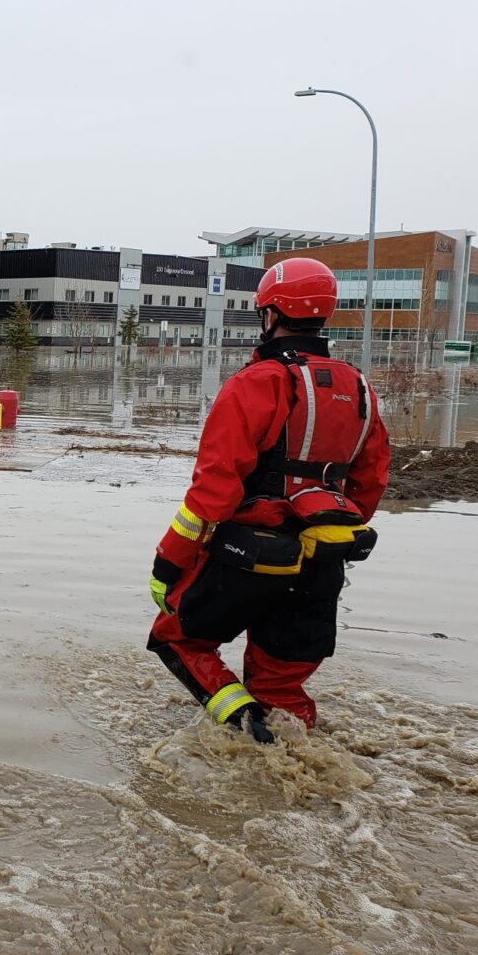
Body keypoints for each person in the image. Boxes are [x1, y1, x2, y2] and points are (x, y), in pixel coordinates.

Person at [147, 257, 390, 741]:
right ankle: (290, 754)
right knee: (281, 683)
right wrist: (326, 526)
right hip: (323, 558)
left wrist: (168, 562)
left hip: (249, 554)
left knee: (176, 639)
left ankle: (242, 727)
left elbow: (214, 489)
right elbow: (371, 480)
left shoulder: (255, 383)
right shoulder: (359, 388)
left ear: (271, 314)